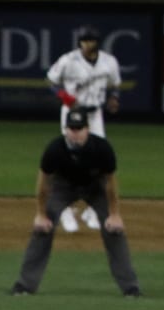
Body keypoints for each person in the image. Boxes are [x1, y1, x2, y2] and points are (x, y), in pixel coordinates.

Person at [11, 109, 142, 297]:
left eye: (79, 129)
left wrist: (114, 214)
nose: (75, 133)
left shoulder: (101, 148)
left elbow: (111, 183)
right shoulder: (55, 149)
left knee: (114, 230)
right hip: (63, 187)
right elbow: (43, 184)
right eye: (72, 129)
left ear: (88, 129)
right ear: (65, 130)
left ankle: (131, 287)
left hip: (95, 187)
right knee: (42, 229)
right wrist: (40, 214)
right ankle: (24, 285)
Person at [46, 24, 121, 234]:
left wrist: (115, 98)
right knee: (66, 157)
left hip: (95, 114)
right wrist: (63, 96)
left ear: (97, 42)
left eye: (90, 40)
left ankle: (91, 209)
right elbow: (51, 80)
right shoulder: (68, 60)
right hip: (72, 113)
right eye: (83, 41)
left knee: (99, 157)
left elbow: (115, 84)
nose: (86, 44)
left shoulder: (109, 62)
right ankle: (66, 208)